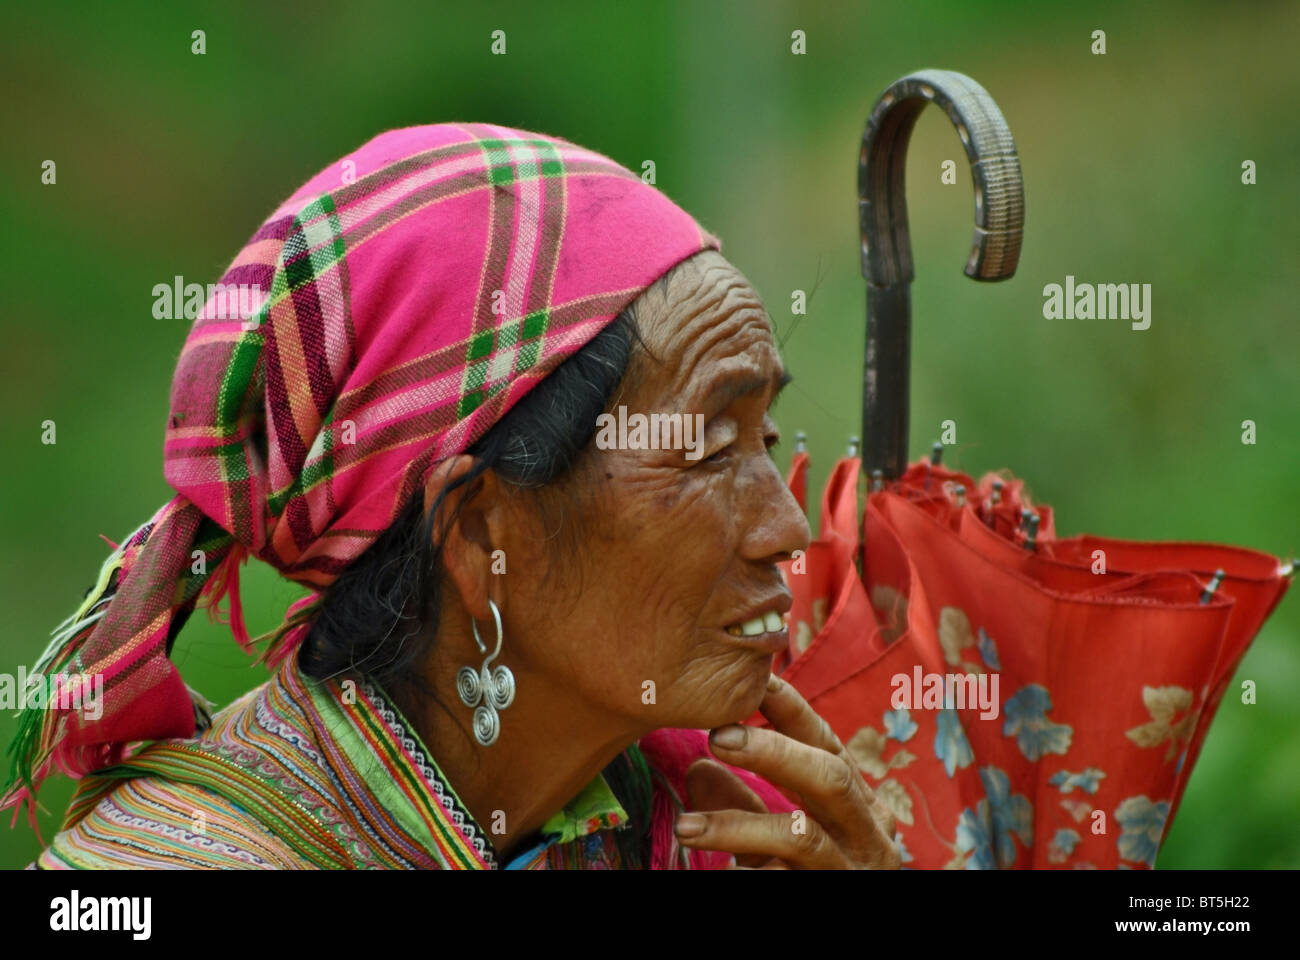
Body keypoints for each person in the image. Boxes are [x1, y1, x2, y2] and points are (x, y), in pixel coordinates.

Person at [4, 124, 901, 869]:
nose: (786, 529)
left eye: (766, 441)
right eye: (706, 450)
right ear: (481, 539)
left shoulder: (689, 829)